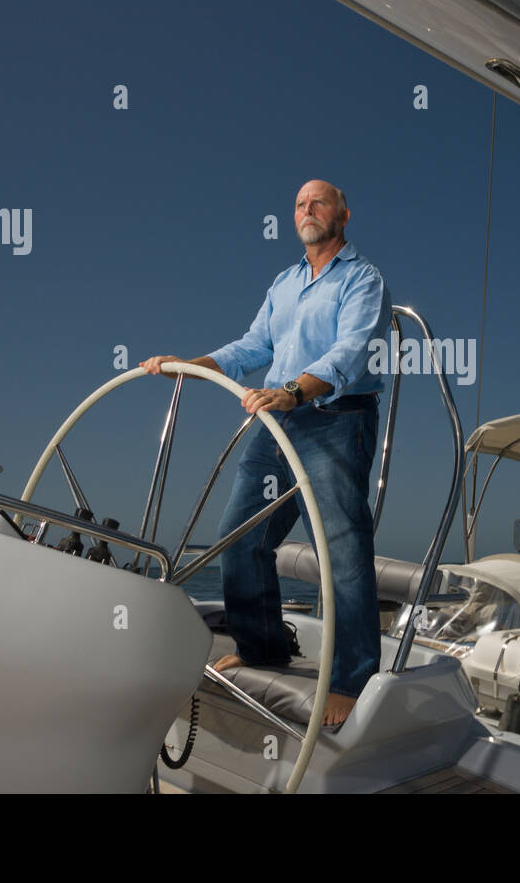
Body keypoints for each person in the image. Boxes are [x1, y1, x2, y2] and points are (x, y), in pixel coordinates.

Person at [140, 179, 389, 726]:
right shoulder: (284, 282)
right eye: (300, 203)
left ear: (343, 213)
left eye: (318, 201)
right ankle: (263, 648)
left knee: (341, 551)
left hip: (335, 419)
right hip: (277, 423)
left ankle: (353, 680)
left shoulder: (362, 278)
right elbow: (253, 347)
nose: (307, 209)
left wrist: (295, 390)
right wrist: (191, 363)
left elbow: (352, 351)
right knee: (239, 538)